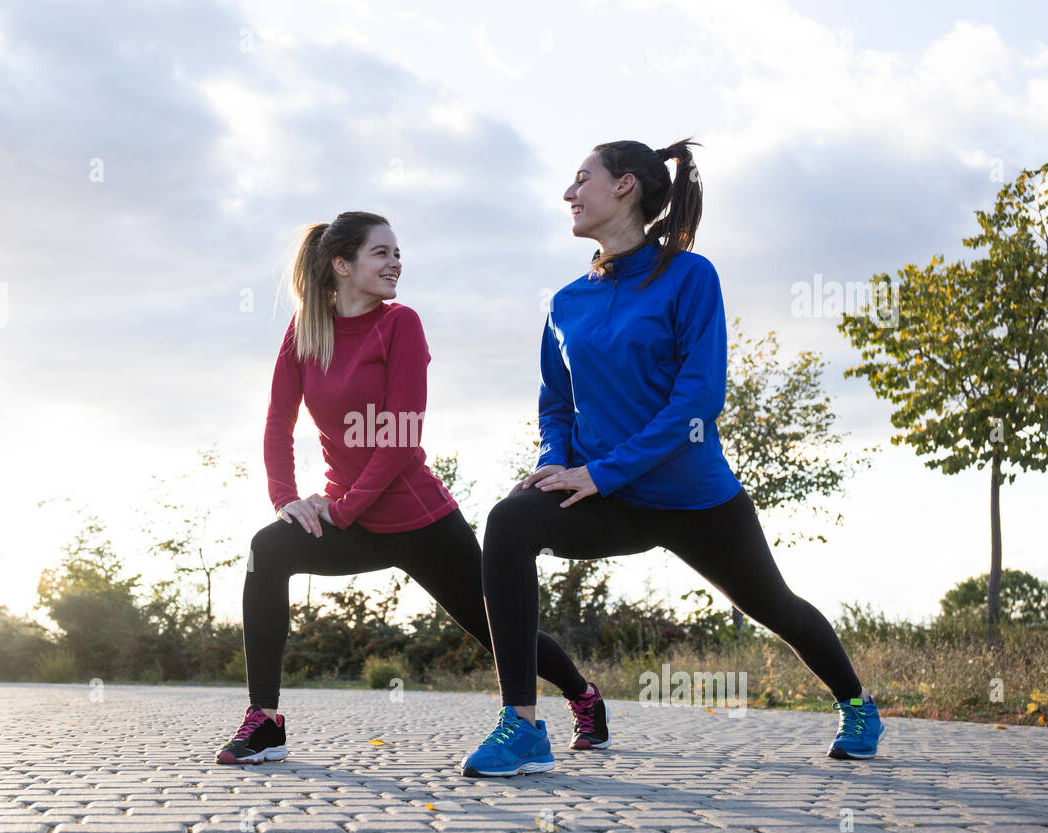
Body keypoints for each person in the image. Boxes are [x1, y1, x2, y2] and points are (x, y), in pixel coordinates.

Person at [459, 139, 884, 778]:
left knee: (774, 605)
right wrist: (557, 459)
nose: (569, 194)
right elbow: (556, 401)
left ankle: (857, 704)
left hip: (691, 497)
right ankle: (522, 724)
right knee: (509, 521)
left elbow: (698, 401)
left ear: (626, 186)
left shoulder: (690, 276)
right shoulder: (566, 302)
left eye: (582, 179)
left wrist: (604, 470)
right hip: (606, 499)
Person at [216, 210, 604, 766]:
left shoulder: (401, 324)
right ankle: (265, 721)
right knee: (267, 549)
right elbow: (278, 422)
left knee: (495, 629)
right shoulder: (305, 332)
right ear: (342, 265)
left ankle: (584, 697)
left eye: (398, 253)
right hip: (351, 516)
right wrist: (287, 499)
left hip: (418, 520)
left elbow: (399, 438)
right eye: (382, 253)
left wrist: (342, 508)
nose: (396, 263)